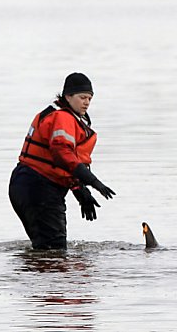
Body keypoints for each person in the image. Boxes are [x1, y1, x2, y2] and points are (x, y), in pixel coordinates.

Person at [9, 72, 115, 250]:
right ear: (68, 96)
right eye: (82, 97)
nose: (87, 102)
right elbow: (61, 153)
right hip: (38, 188)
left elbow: (59, 165)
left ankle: (29, 277)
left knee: (46, 249)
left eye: (90, 98)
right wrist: (92, 181)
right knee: (54, 251)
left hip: (25, 184)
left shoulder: (58, 115)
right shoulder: (63, 118)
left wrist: (80, 191)